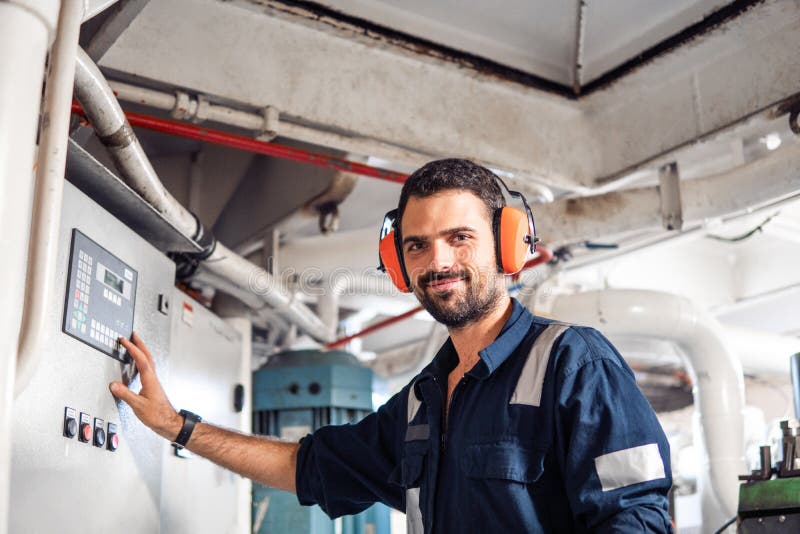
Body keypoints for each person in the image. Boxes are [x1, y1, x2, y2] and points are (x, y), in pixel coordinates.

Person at [111, 158, 673, 533]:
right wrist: (176, 427)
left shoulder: (574, 363)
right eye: (418, 246)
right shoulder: (420, 403)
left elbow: (637, 519)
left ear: (507, 245)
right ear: (400, 266)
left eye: (459, 238)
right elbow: (307, 467)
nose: (439, 262)